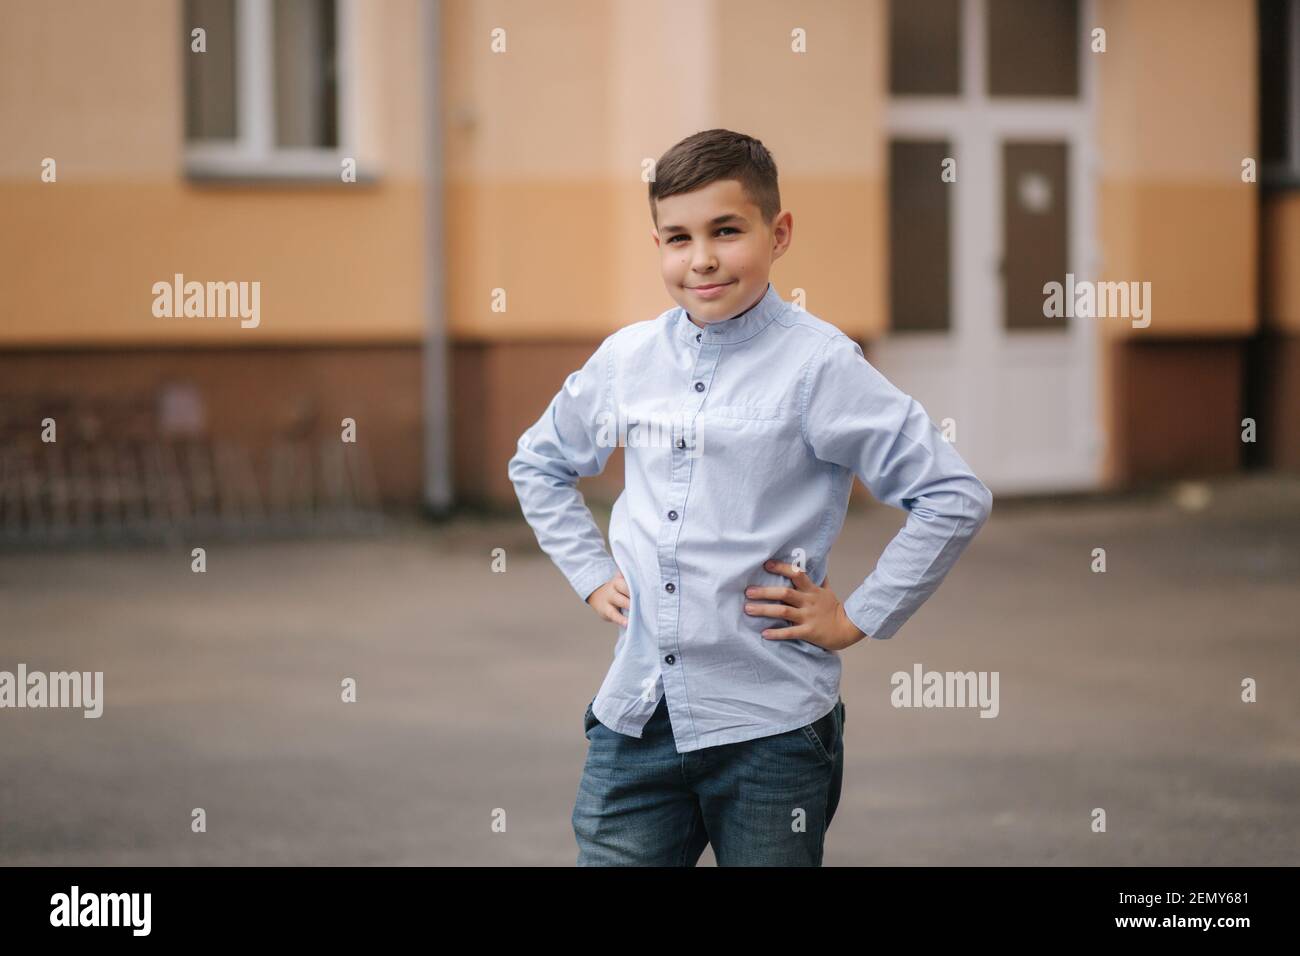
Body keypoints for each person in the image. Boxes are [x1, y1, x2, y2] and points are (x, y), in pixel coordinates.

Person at [508, 128, 993, 866]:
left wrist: (859, 613)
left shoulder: (820, 366)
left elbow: (953, 494)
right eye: (678, 237)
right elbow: (538, 463)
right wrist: (587, 570)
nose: (700, 258)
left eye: (726, 231)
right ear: (658, 243)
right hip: (636, 720)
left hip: (771, 730)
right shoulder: (628, 360)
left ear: (779, 232)